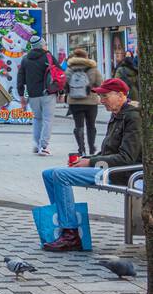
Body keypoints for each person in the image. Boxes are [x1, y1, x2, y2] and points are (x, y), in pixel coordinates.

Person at [39, 78, 143, 252]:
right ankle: (64, 226)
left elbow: (127, 158)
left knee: (61, 175)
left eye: (105, 96)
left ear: (120, 95)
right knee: (49, 173)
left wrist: (90, 162)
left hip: (124, 172)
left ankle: (71, 234)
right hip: (111, 167)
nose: (101, 101)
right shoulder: (118, 114)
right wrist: (86, 159)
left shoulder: (133, 117)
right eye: (100, 96)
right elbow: (108, 152)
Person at [16, 35, 54, 155]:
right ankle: (44, 146)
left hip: (32, 95)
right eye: (45, 44)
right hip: (48, 93)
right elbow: (58, 73)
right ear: (42, 45)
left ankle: (37, 145)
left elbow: (20, 78)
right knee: (47, 119)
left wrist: (21, 96)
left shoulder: (25, 59)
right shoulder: (48, 57)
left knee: (37, 119)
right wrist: (61, 91)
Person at [63, 47, 103, 156]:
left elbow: (64, 84)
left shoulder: (69, 69)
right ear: (86, 56)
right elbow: (100, 83)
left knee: (78, 126)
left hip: (74, 102)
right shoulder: (93, 68)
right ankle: (92, 148)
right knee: (91, 125)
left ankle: (81, 149)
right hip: (91, 102)